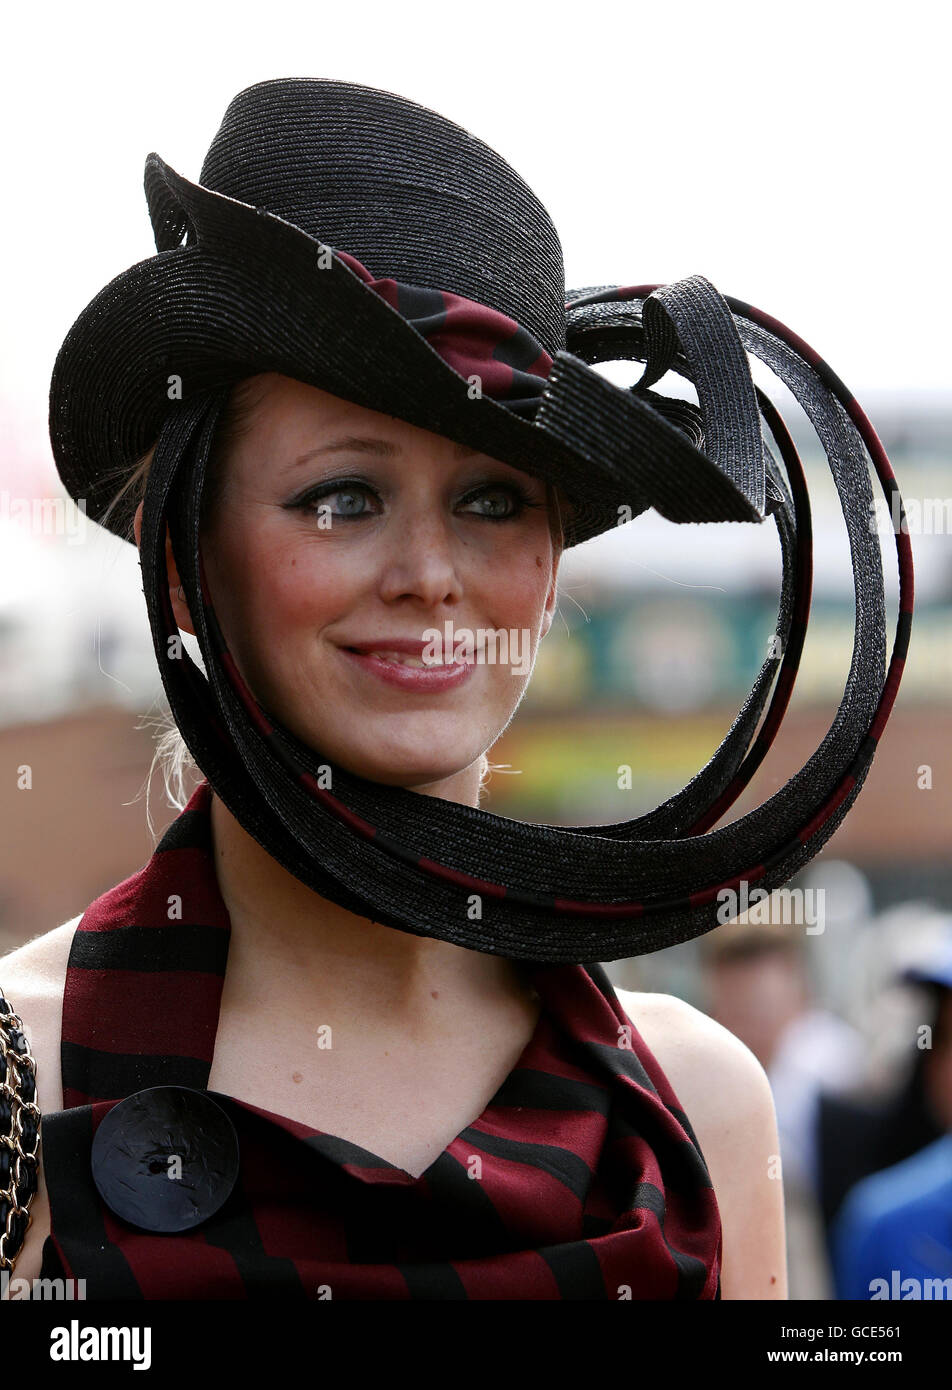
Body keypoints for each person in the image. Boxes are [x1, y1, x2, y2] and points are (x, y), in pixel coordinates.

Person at [4, 73, 904, 1301]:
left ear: (546, 577)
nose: (430, 576)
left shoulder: (696, 1110)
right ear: (184, 557)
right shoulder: (26, 1074)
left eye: (490, 502)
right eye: (343, 496)